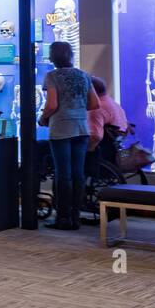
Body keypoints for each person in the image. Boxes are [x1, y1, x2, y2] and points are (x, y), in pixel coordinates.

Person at [38, 41, 99, 230]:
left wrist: (43, 117)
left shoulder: (52, 76)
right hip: (81, 129)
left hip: (61, 130)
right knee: (78, 174)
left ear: (53, 56)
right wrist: (76, 108)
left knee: (64, 175)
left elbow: (52, 105)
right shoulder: (84, 75)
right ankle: (75, 216)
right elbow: (94, 103)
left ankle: (63, 218)